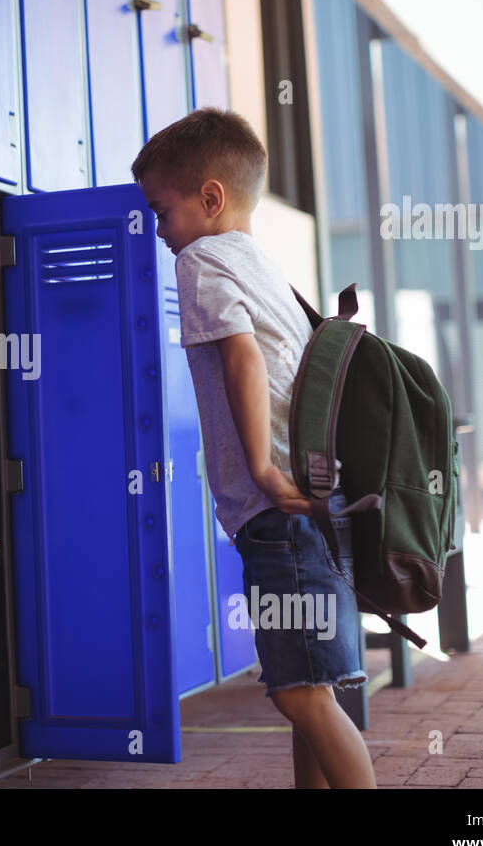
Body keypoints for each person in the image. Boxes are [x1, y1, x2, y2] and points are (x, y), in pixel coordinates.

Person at [131, 108, 376, 789]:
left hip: (279, 516)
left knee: (301, 695)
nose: (158, 231)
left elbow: (242, 359)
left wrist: (264, 471)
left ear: (210, 199)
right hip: (310, 511)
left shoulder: (201, 258)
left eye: (162, 210)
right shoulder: (263, 265)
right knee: (310, 690)